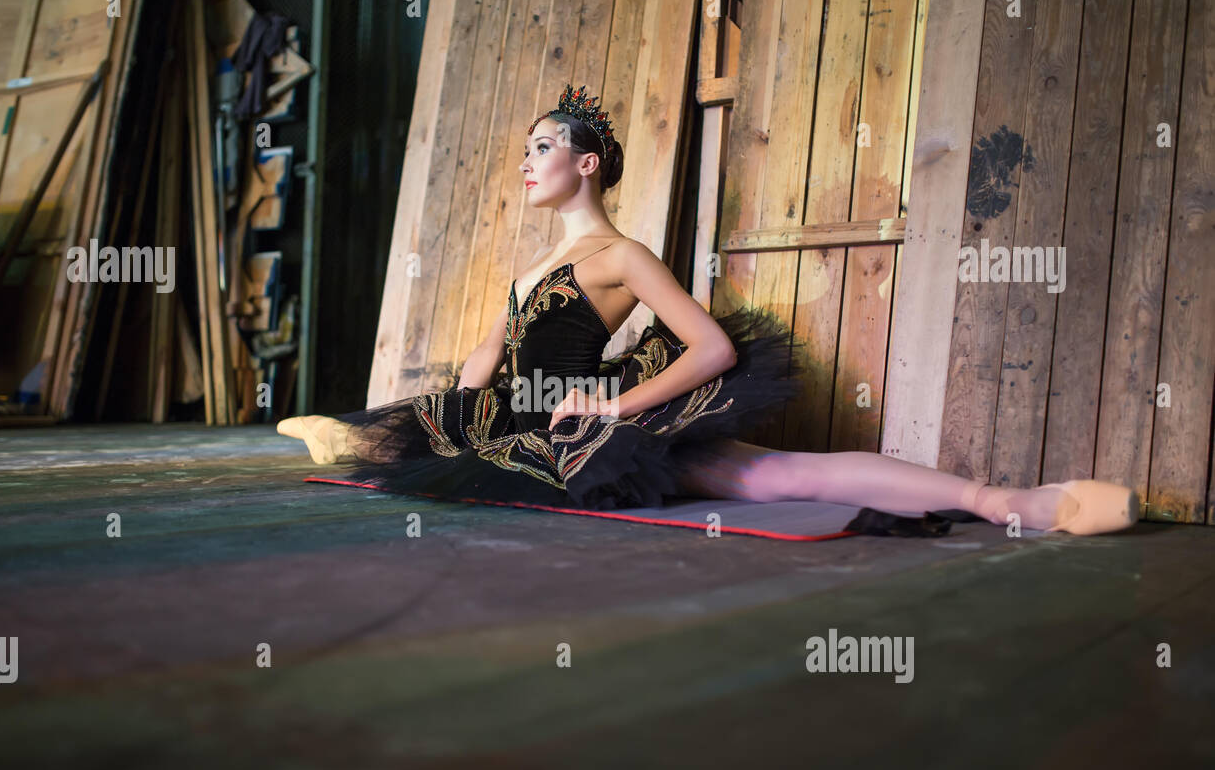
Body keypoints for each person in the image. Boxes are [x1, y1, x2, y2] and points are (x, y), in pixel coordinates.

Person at [279, 83, 1138, 537]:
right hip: (520, 425)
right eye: (524, 151)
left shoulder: (620, 256)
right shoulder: (535, 264)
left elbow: (714, 349)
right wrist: (437, 420)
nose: (526, 163)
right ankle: (341, 432)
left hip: (590, 426)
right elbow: (478, 368)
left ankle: (1012, 503)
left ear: (588, 165)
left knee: (772, 477)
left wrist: (611, 407)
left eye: (543, 147)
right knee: (411, 432)